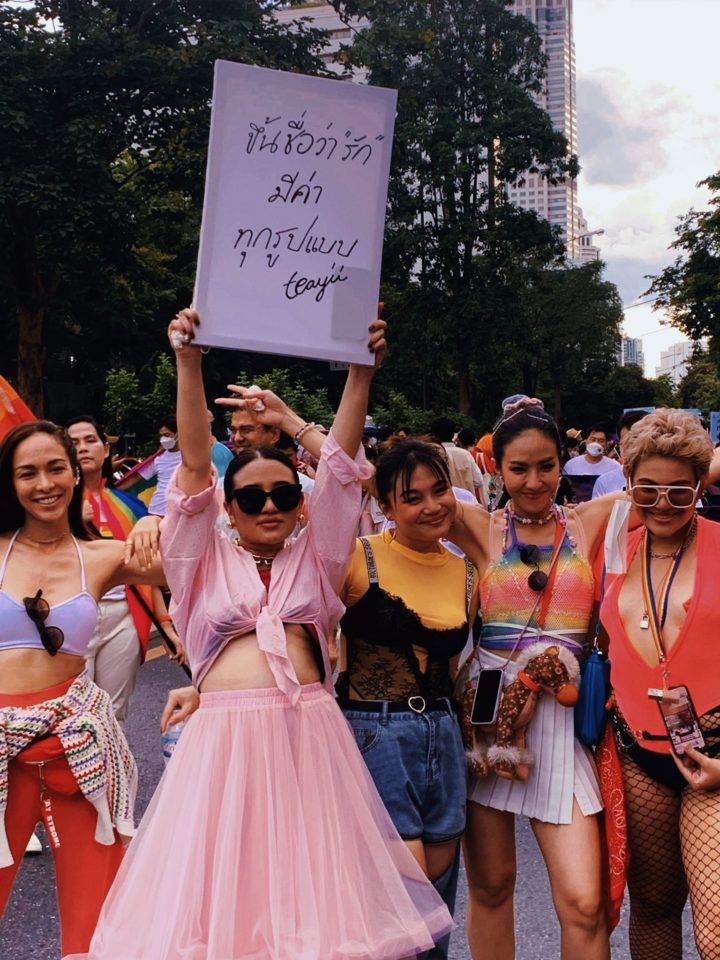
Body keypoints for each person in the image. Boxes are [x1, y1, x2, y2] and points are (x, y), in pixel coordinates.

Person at [66, 309, 452, 960]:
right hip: (223, 745)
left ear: (299, 504)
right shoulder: (198, 558)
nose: (269, 505)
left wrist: (360, 372)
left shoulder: (320, 557)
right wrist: (188, 362)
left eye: (281, 494)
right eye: (251, 498)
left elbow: (340, 467)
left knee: (310, 911)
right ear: (228, 508)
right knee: (228, 908)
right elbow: (193, 463)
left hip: (309, 741)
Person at [449, 396, 610, 960]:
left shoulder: (591, 521)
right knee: (491, 886)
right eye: (519, 468)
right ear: (497, 467)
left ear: (563, 461)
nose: (534, 480)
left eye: (546, 465)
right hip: (488, 718)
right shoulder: (482, 526)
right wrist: (296, 425)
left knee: (585, 901)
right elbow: (382, 483)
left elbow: (681, 473)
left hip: (564, 721)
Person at [0, 420, 166, 957]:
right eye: (28, 473)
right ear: (10, 483)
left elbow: (206, 571)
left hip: (79, 742)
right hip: (1, 745)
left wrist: (157, 519)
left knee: (94, 908)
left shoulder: (103, 556)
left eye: (55, 468)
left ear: (76, 473)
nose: (45, 483)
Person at [339, 440, 479, 959]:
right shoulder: (359, 558)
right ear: (386, 506)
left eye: (439, 490)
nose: (431, 506)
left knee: (436, 903)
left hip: (444, 739)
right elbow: (287, 616)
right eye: (412, 497)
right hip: (375, 736)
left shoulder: (467, 574)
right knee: (401, 893)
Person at [599, 408, 720, 960]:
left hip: (714, 758)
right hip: (638, 752)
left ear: (702, 485)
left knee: (716, 934)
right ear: (627, 485)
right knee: (652, 906)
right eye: (648, 490)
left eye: (680, 491)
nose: (663, 505)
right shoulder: (615, 544)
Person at [65, 415, 185, 726]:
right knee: (75, 715)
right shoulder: (52, 505)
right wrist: (68, 520)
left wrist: (167, 626)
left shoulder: (131, 507)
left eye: (90, 440)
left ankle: (114, 774)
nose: (82, 448)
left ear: (105, 449)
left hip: (125, 617)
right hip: (72, 618)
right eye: (73, 443)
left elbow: (144, 571)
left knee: (114, 713)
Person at [591, 410, 649, 499]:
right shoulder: (604, 482)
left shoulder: (666, 480)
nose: (633, 448)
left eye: (638, 440)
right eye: (627, 442)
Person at [563, 425, 623, 502]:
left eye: (601, 441)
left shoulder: (615, 466)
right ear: (586, 441)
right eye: (593, 439)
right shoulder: (571, 465)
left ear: (606, 444)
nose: (596, 443)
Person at [431, 417, 484, 498]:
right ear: (453, 435)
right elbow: (478, 481)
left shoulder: (431, 456)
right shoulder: (465, 454)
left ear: (433, 435)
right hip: (467, 504)